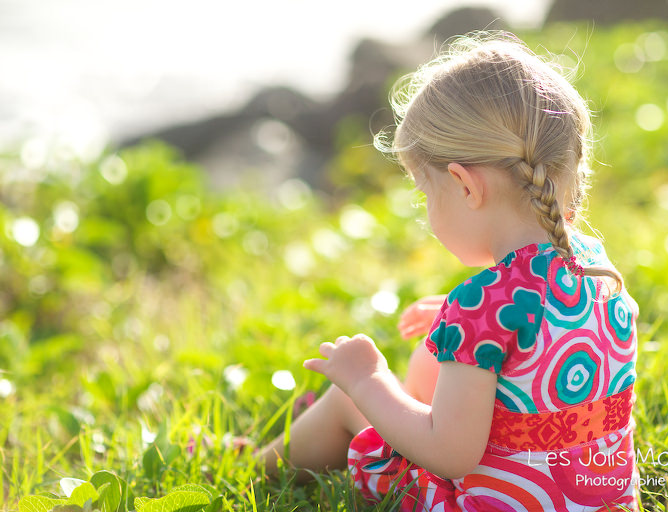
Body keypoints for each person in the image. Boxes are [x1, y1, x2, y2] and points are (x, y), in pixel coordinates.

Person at [258, 32, 640, 511]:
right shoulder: (594, 265)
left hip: (494, 503)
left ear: (464, 185)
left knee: (347, 402)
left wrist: (367, 379)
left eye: (425, 192)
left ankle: (251, 467)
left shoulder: (480, 309)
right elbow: (544, 340)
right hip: (599, 500)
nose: (426, 208)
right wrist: (458, 318)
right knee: (425, 366)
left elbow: (450, 455)